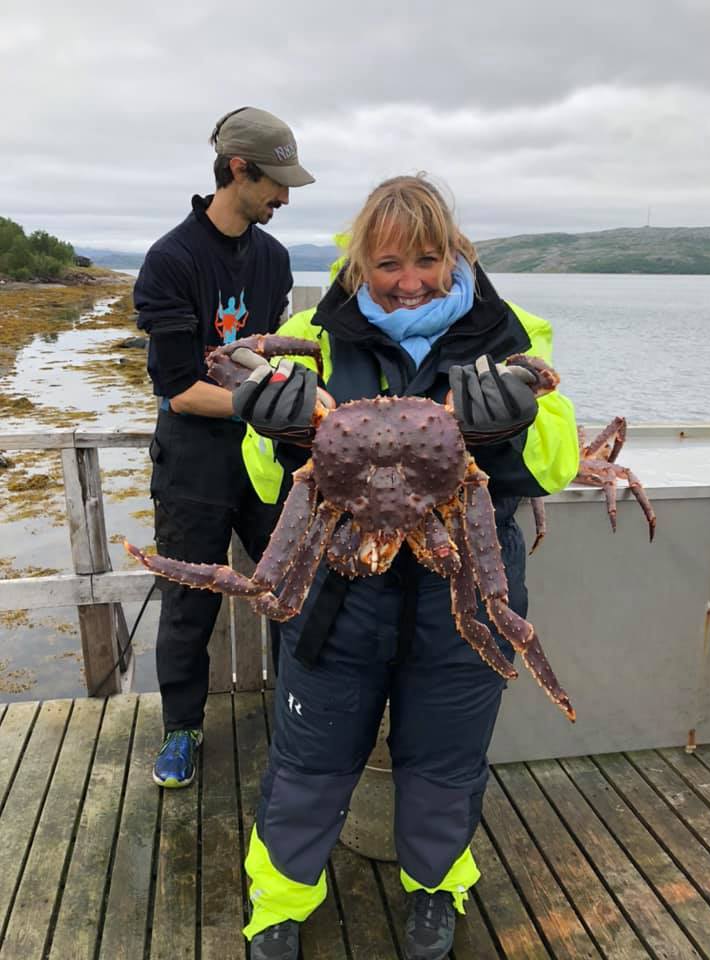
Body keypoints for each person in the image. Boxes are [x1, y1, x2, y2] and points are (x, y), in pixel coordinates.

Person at [233, 175, 579, 960]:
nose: (410, 279)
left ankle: (436, 890)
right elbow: (263, 481)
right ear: (358, 260)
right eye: (388, 263)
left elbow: (557, 464)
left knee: (445, 763)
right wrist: (277, 433)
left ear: (456, 251)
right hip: (333, 600)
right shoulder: (308, 332)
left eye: (428, 258)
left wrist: (511, 427)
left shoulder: (514, 330)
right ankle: (278, 903)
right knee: (307, 763)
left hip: (462, 593)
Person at [134, 107, 314, 789]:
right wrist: (268, 401)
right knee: (188, 599)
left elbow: (279, 357)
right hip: (195, 461)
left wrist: (295, 407)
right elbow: (180, 389)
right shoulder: (171, 260)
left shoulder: (273, 257)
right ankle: (182, 728)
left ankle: (295, 718)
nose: (285, 197)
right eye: (275, 182)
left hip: (267, 457)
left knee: (289, 591)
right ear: (238, 168)